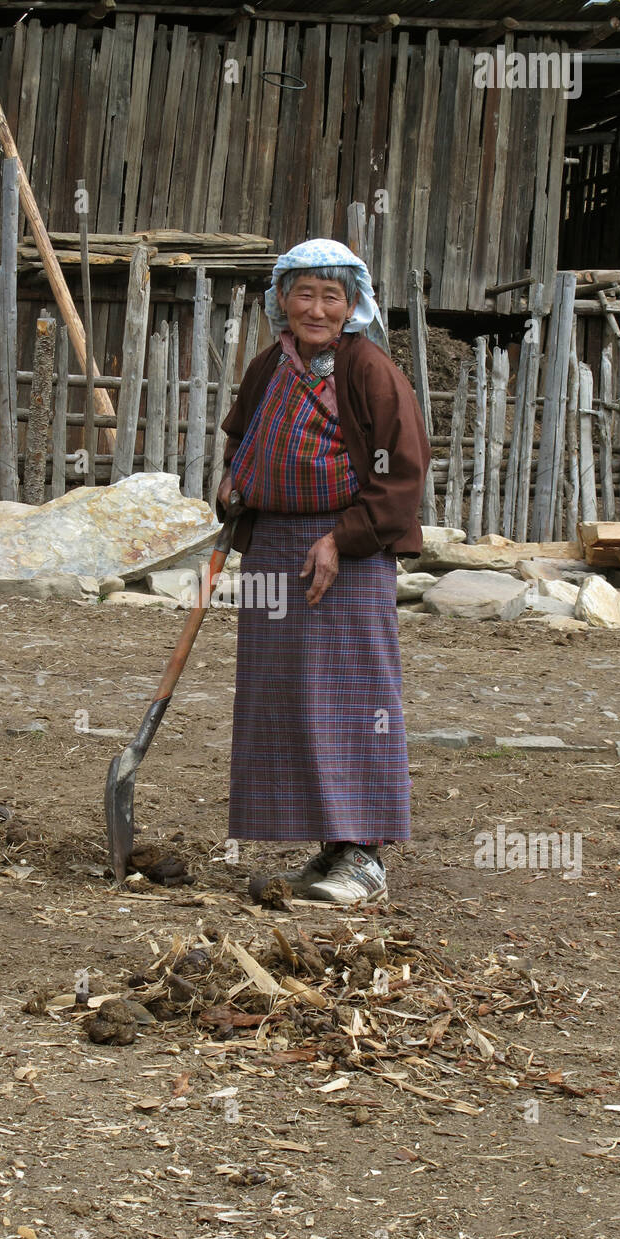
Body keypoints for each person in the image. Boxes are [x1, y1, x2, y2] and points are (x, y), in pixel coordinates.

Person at [215, 238, 430, 905]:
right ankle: (328, 847)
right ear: (281, 299)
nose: (314, 307)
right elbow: (241, 441)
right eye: (302, 293)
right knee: (285, 702)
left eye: (329, 296)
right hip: (275, 549)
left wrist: (343, 539)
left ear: (351, 304)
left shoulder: (368, 370)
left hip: (350, 553)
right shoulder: (269, 367)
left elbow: (403, 468)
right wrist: (229, 486)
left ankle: (364, 856)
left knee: (352, 697)